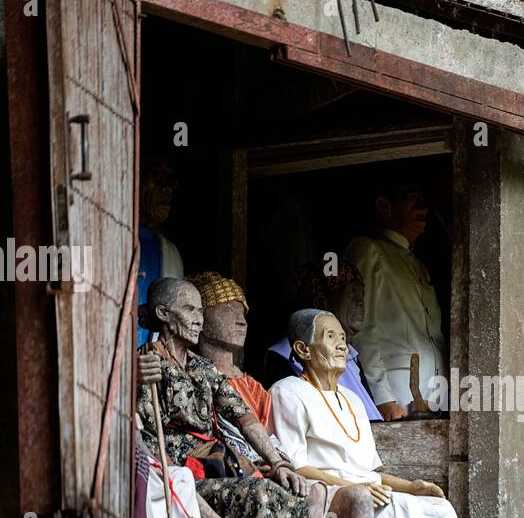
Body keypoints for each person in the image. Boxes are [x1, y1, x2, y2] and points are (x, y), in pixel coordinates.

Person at [270, 308, 483, 518]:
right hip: (333, 500)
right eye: (331, 337)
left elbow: (371, 472)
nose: (342, 345)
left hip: (370, 491)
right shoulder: (286, 392)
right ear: (303, 349)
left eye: (343, 338)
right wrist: (354, 487)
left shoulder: (353, 400)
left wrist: (411, 486)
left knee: (440, 509)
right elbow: (295, 466)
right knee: (400, 513)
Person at [137, 277, 323, 518]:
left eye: (201, 310)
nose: (199, 318)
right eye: (189, 309)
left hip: (216, 467)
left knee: (288, 492)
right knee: (260, 493)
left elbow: (243, 417)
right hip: (183, 477)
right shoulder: (148, 365)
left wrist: (278, 462)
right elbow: (150, 451)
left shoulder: (202, 368)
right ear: (163, 314)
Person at [345, 182, 446, 420]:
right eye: (413, 198)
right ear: (385, 206)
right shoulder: (368, 250)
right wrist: (384, 400)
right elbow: (362, 329)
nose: (423, 208)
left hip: (434, 394)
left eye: (424, 201)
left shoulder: (417, 264)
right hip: (397, 394)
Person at [265, 257, 382, 422]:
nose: (360, 302)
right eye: (351, 293)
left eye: (361, 294)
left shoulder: (351, 356)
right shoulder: (284, 355)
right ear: (321, 301)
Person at [188, 271, 274, 464]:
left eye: (242, 313)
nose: (241, 321)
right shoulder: (193, 375)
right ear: (200, 318)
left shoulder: (254, 388)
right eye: (227, 309)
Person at [136, 161, 184, 347]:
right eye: (159, 180)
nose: (167, 191)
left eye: (171, 185)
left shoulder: (170, 253)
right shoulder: (111, 241)